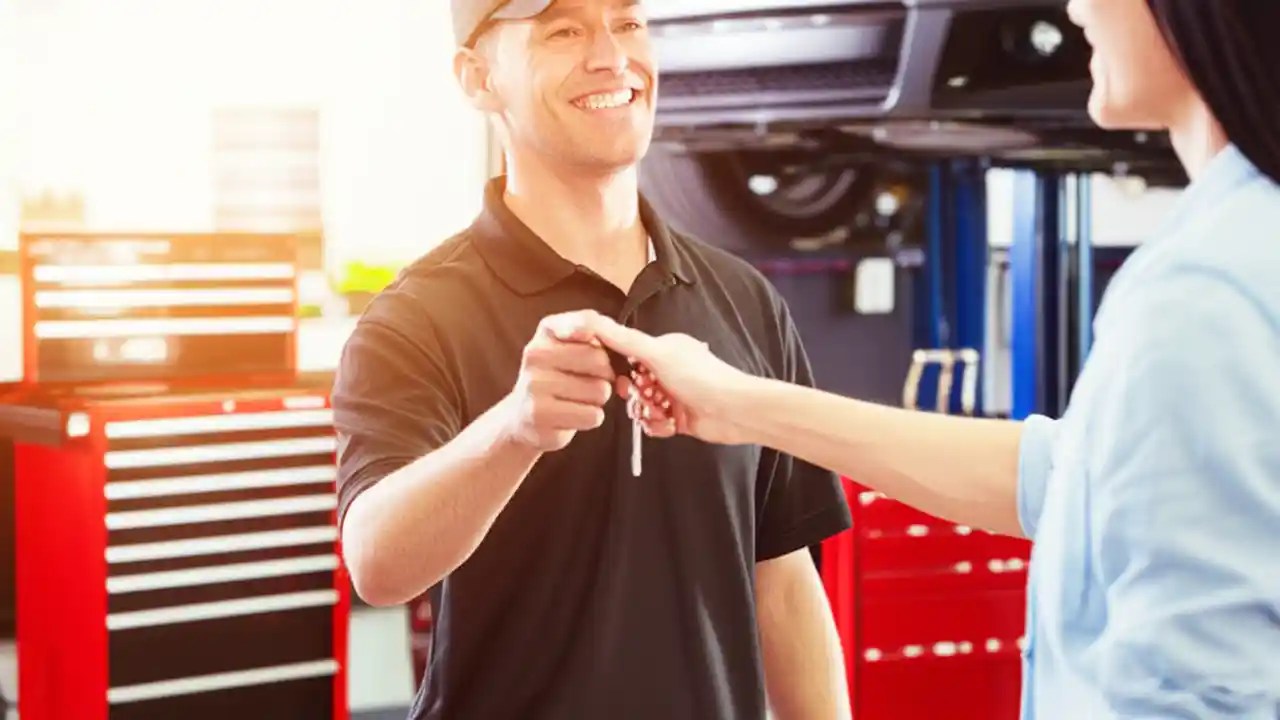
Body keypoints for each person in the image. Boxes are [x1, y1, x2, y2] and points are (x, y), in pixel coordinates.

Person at [591, 1, 1280, 718]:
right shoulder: (1245, 248)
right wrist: (737, 403)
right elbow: (1064, 476)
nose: (1077, 6)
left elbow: (1199, 693)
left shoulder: (1202, 291)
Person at [330, 1, 853, 718]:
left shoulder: (744, 302)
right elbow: (378, 566)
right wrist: (512, 432)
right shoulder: (415, 319)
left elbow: (785, 582)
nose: (612, 56)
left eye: (629, 22)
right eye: (564, 29)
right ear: (478, 77)